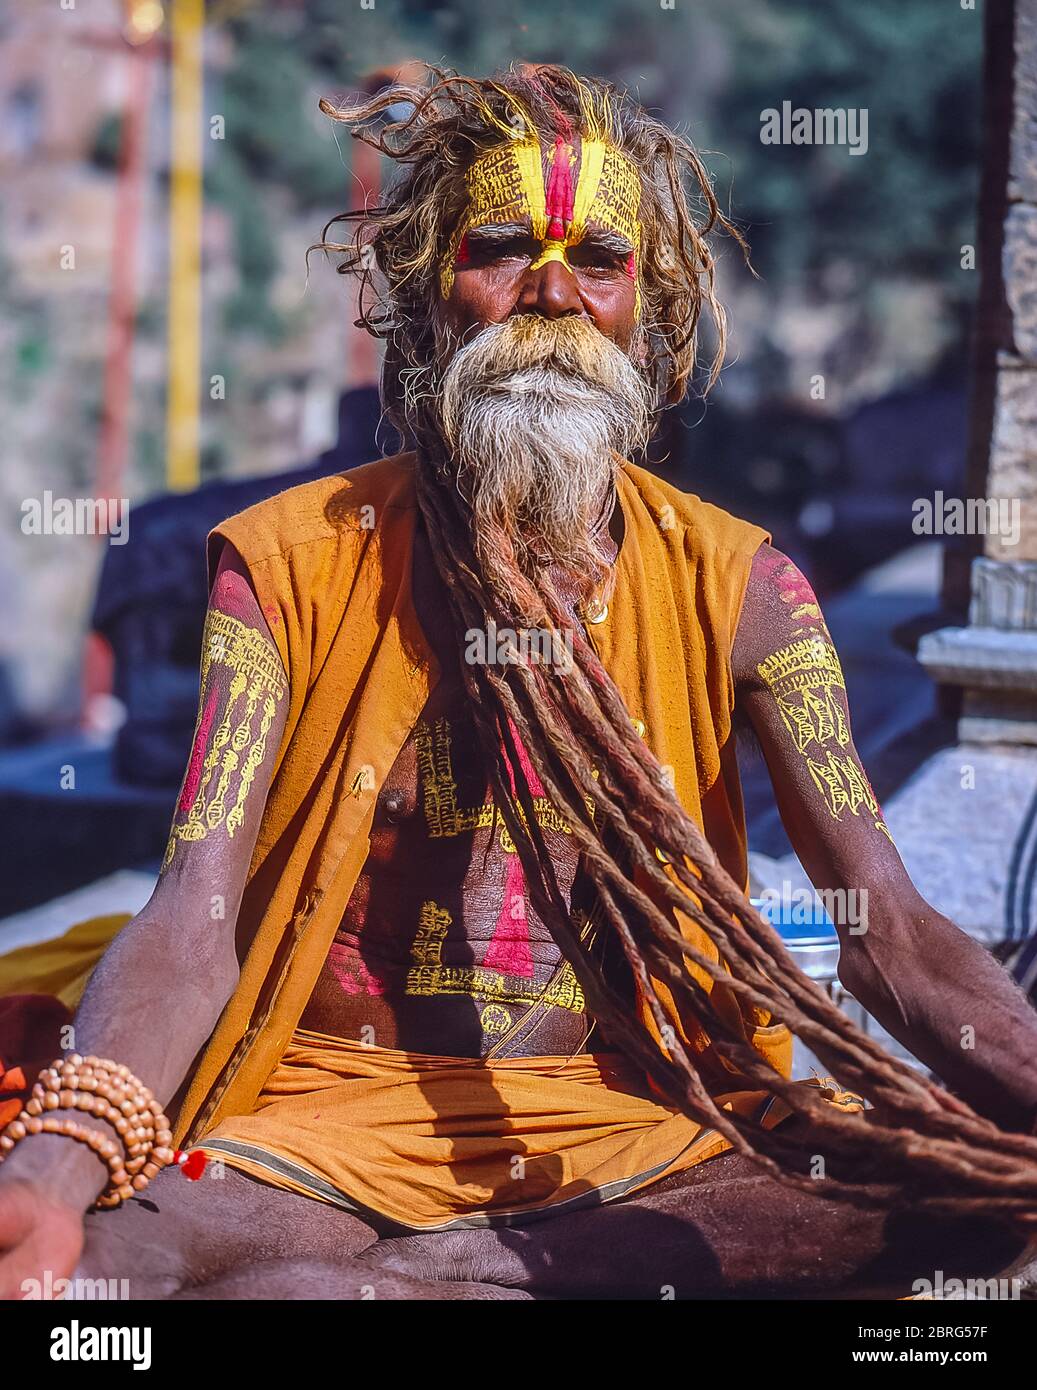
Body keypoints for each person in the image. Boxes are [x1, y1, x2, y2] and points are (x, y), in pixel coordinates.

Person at [2, 67, 1036, 1302]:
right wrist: (53, 1176)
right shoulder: (282, 570)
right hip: (319, 1129)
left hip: (641, 1127)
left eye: (595, 260)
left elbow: (891, 929)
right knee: (101, 1279)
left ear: (643, 318)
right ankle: (453, 1278)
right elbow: (189, 919)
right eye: (501, 249)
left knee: (958, 1205)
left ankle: (423, 1281)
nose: (550, 291)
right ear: (426, 299)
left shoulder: (748, 589)